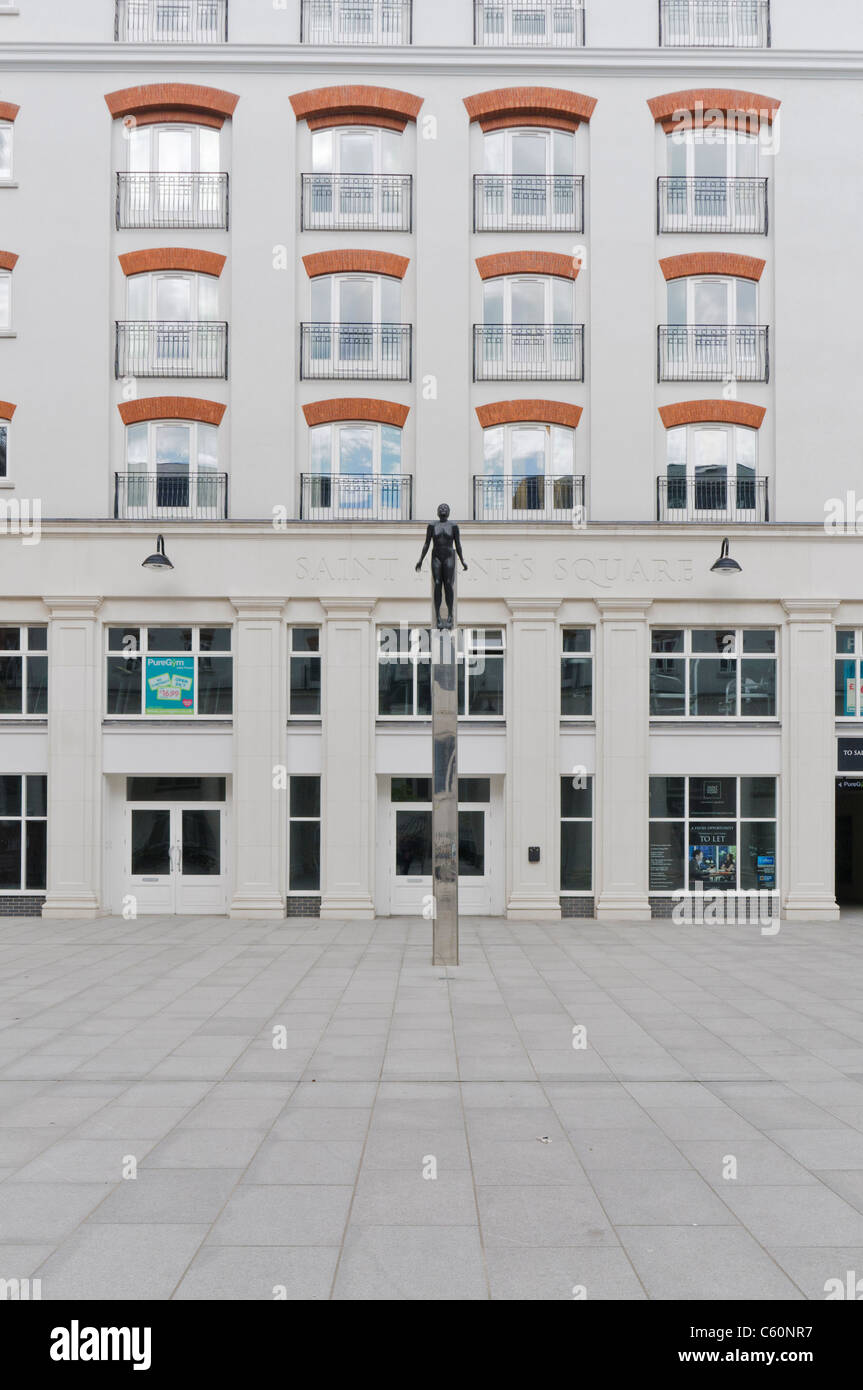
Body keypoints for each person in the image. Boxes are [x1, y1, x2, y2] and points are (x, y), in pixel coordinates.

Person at [416, 503, 468, 629]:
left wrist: (462, 560)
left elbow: (458, 544)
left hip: (449, 556)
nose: (443, 509)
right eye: (440, 508)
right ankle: (438, 616)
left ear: (449, 512)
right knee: (438, 583)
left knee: (449, 583)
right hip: (437, 557)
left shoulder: (454, 526)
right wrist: (421, 560)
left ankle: (450, 615)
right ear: (437, 512)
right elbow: (426, 544)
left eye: (445, 508)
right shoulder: (432, 526)